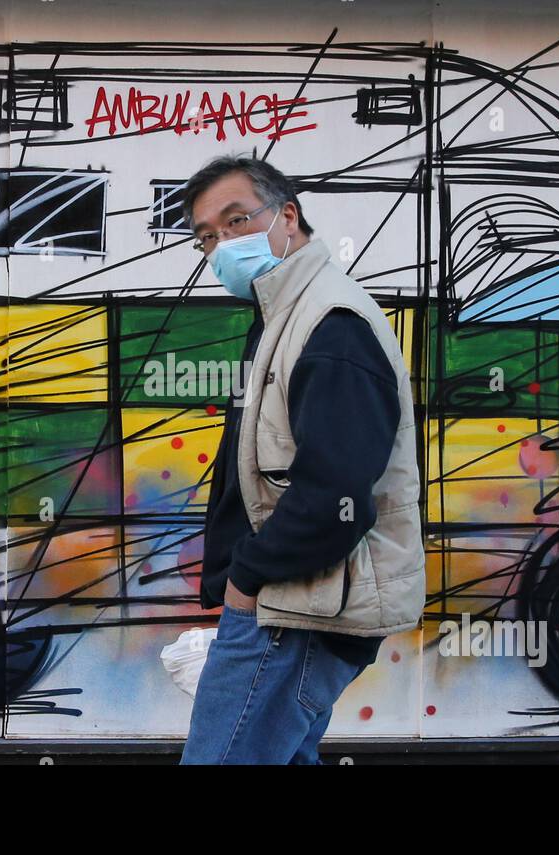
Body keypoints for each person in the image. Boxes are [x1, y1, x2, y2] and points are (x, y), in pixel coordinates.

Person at [178, 154, 426, 764]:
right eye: (206, 237)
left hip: (295, 610)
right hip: (292, 603)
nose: (221, 245)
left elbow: (335, 499)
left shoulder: (329, 323)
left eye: (236, 221)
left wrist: (245, 582)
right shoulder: (286, 313)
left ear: (287, 216)